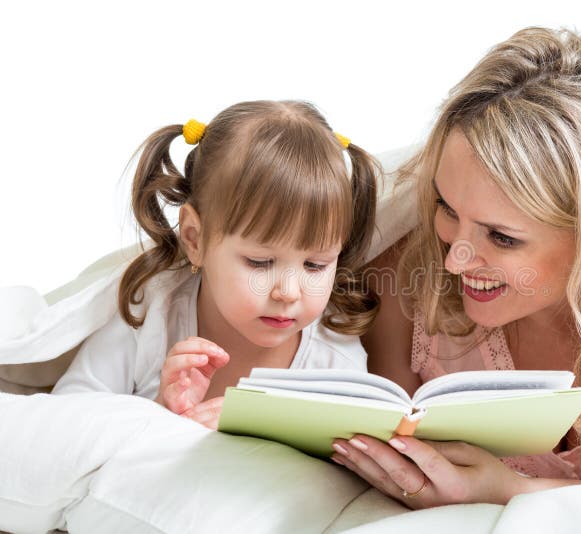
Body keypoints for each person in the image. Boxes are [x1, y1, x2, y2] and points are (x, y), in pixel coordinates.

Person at [330, 27, 581, 507]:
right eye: (447, 208)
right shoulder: (410, 277)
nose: (453, 259)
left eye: (502, 236)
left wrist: (508, 490)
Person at [53, 100, 380, 430]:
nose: (288, 292)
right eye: (260, 262)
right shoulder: (151, 314)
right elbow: (63, 419)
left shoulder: (335, 358)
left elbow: (354, 454)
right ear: (194, 239)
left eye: (315, 265)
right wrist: (159, 411)